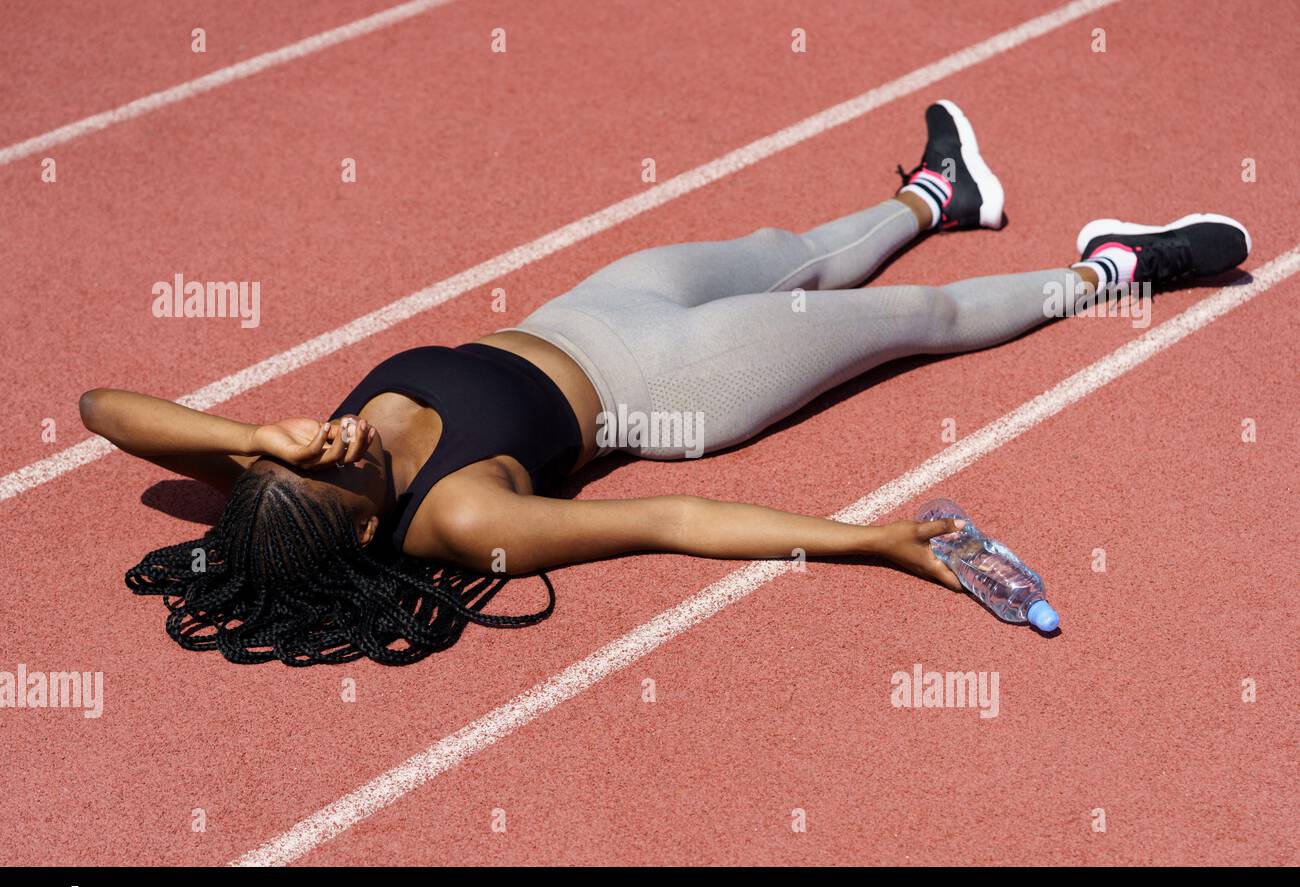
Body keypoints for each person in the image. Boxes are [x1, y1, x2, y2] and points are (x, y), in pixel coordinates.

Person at [80, 101, 1250, 665]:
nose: (335, 442)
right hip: (672, 382)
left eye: (315, 449)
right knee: (914, 320)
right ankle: (1118, 266)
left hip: (585, 307)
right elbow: (672, 523)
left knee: (791, 245)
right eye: (343, 472)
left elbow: (102, 411)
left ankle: (941, 196)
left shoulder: (285, 477)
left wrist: (257, 438)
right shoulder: (461, 515)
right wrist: (871, 541)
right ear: (373, 525)